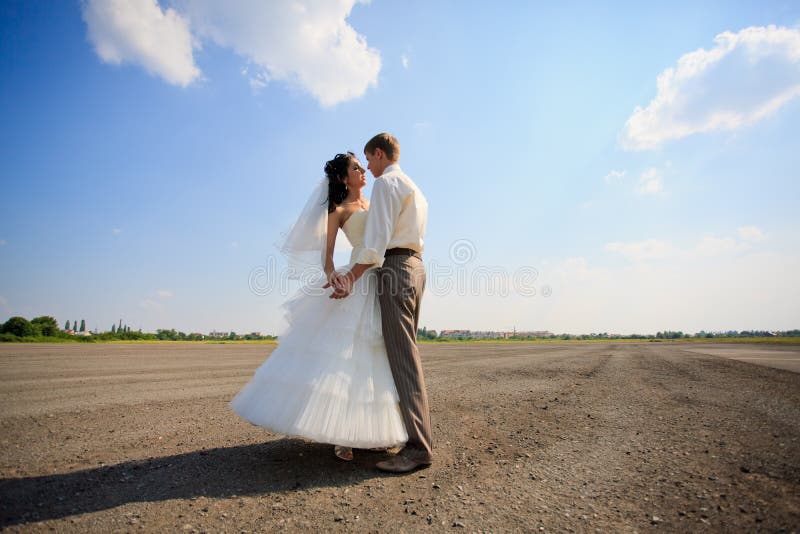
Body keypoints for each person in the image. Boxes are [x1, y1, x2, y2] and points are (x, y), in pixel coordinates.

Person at [229, 152, 407, 462]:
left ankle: (369, 432)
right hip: (355, 281)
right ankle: (341, 434)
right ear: (342, 177)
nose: (363, 170)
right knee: (344, 357)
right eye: (355, 167)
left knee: (375, 357)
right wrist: (336, 278)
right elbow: (326, 260)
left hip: (381, 278)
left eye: (362, 165)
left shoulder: (377, 202)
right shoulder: (338, 211)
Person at [328, 133, 433, 473]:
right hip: (415, 267)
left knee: (403, 360)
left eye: (368, 160)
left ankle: (418, 448)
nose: (367, 167)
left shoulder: (386, 185)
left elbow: (375, 241)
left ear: (378, 154)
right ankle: (411, 438)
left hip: (394, 269)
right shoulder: (413, 187)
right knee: (405, 356)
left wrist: (351, 278)